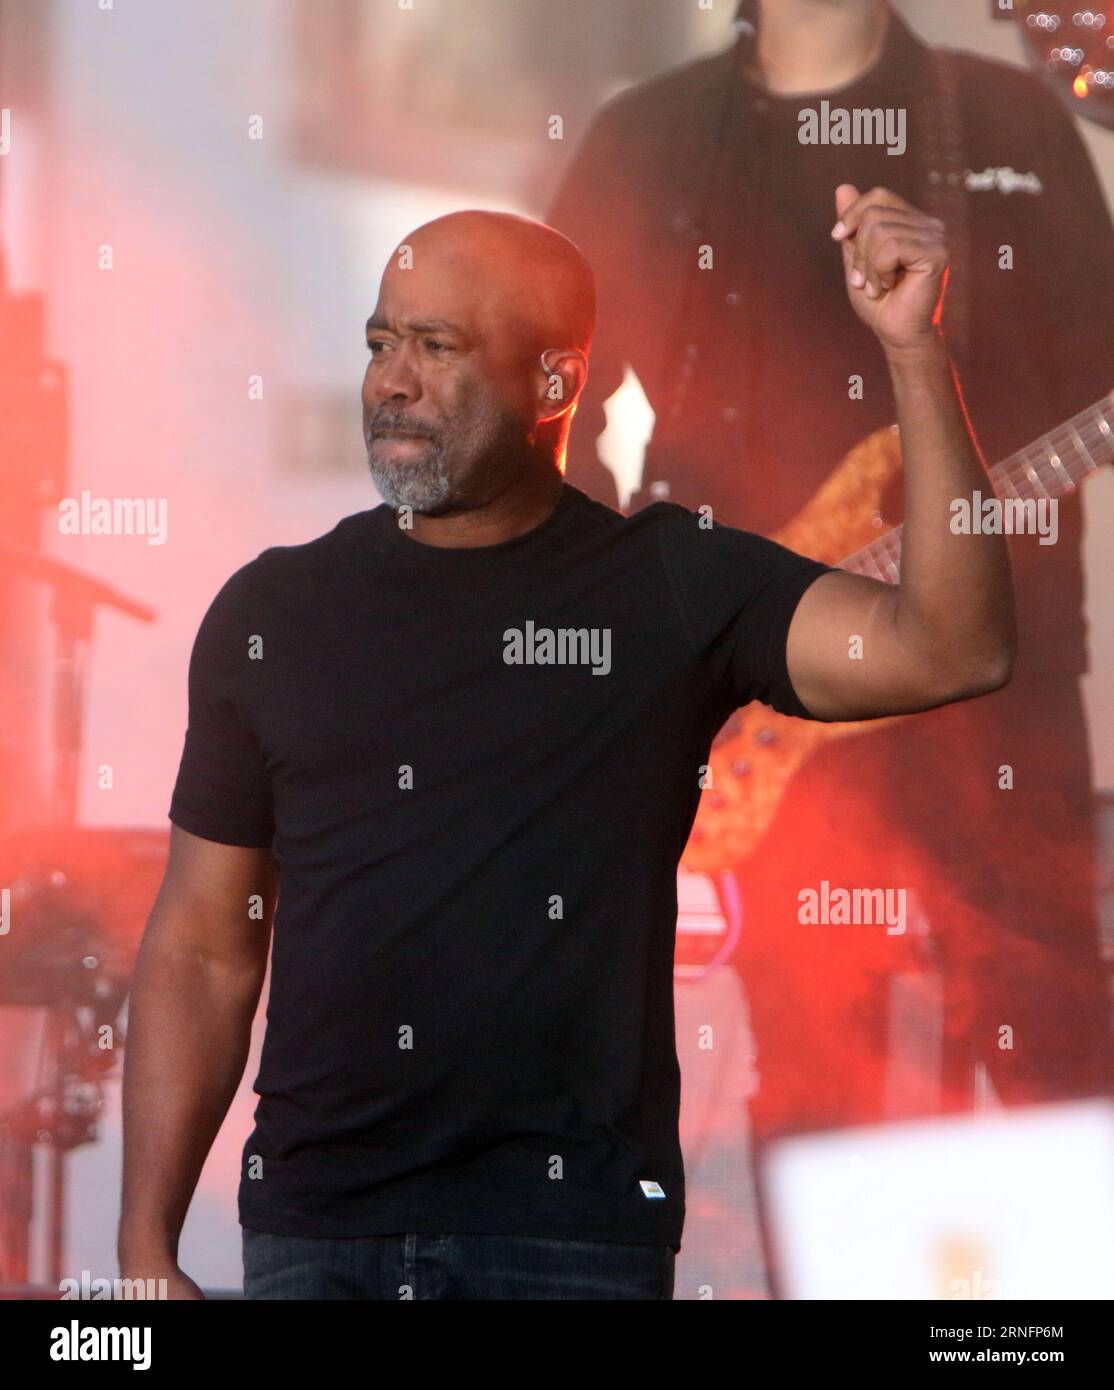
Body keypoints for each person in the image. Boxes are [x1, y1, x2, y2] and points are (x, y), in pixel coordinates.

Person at [118, 196, 1014, 1300]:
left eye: (435, 346)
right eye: (379, 341)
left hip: (570, 1236)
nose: (389, 380)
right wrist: (143, 1254)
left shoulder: (674, 584)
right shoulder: (275, 609)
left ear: (553, 385)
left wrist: (913, 350)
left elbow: (952, 648)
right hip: (319, 1233)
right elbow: (202, 947)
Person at [546, 0, 1114, 1158]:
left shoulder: (1003, 111)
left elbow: (1094, 363)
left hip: (989, 664)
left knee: (1048, 1032)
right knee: (813, 1062)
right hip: (762, 673)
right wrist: (633, 627)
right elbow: (546, 399)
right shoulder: (643, 134)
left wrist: (941, 325)